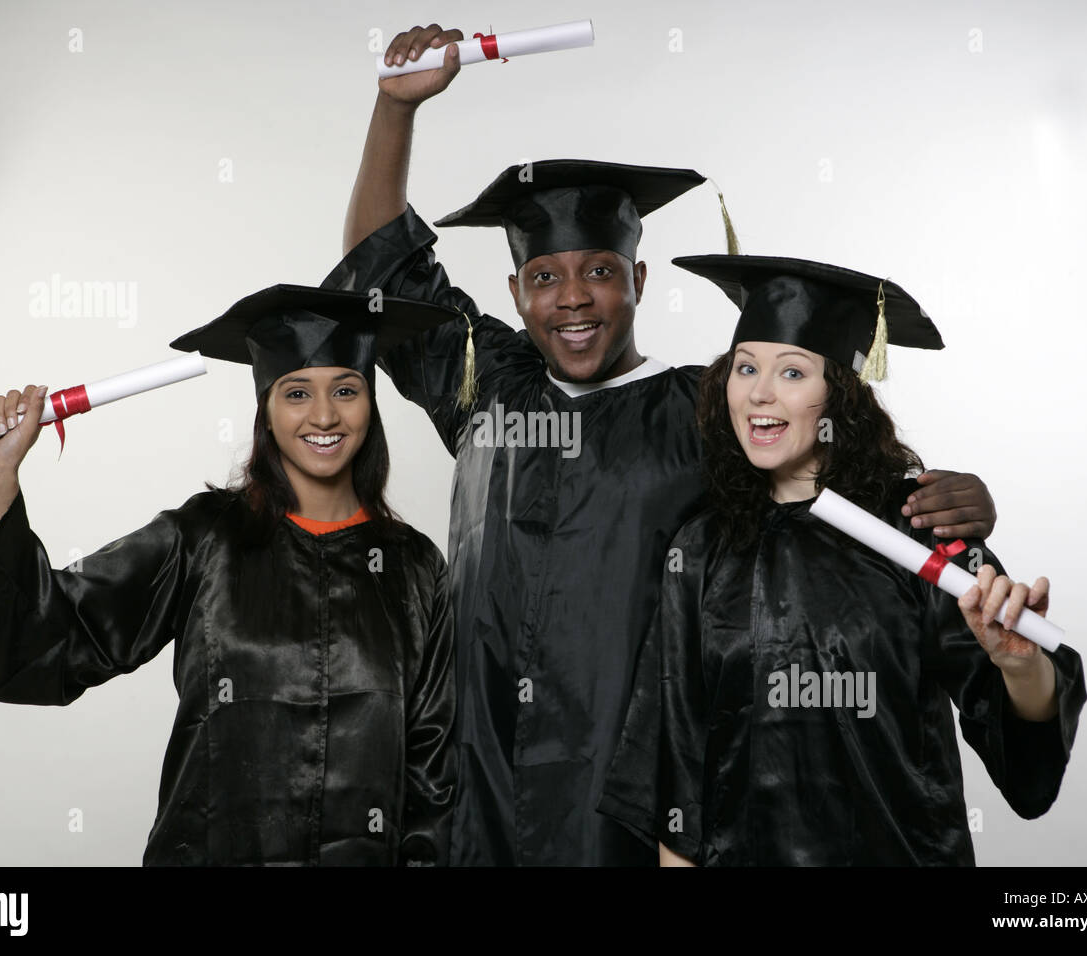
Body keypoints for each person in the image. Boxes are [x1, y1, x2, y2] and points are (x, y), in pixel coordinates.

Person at [326, 22, 1000, 866]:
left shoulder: (700, 407)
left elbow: (821, 471)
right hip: (482, 786)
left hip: (642, 799)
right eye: (544, 276)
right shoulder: (485, 381)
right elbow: (376, 277)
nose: (574, 298)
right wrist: (393, 111)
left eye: (600, 270)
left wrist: (948, 505)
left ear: (637, 279)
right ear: (515, 292)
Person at [0, 285, 460, 865]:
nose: (324, 415)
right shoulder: (204, 539)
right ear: (267, 408)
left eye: (345, 390)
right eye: (296, 392)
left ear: (369, 404)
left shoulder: (414, 568)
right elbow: (38, 641)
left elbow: (433, 773)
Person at [599, 255, 1087, 865]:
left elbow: (1022, 730)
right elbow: (677, 763)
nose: (760, 392)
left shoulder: (919, 532)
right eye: (744, 368)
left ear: (840, 395)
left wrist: (1018, 666)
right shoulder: (700, 548)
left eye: (793, 372)